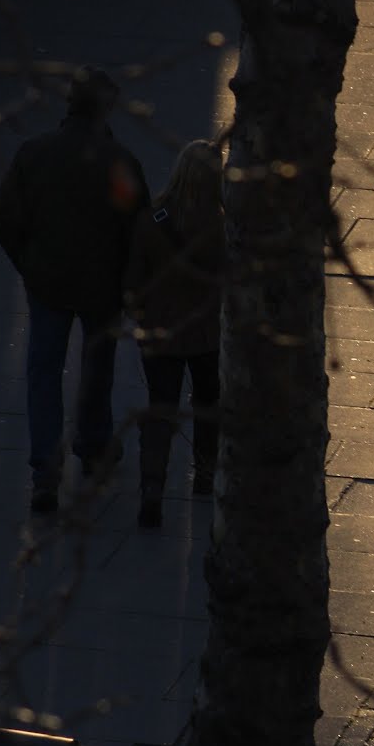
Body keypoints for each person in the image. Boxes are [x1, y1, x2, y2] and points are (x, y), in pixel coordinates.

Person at [0, 68, 148, 516]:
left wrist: (29, 266)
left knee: (43, 369)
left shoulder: (34, 154)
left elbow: (5, 219)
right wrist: (129, 283)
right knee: (96, 366)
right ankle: (94, 444)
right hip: (101, 287)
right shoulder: (119, 161)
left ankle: (45, 469)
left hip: (49, 282)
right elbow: (136, 228)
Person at [123, 140, 224, 530]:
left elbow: (133, 281)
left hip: (161, 333)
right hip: (208, 334)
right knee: (207, 401)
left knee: (160, 407)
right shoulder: (222, 226)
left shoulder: (152, 220)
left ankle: (152, 488)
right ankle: (205, 473)